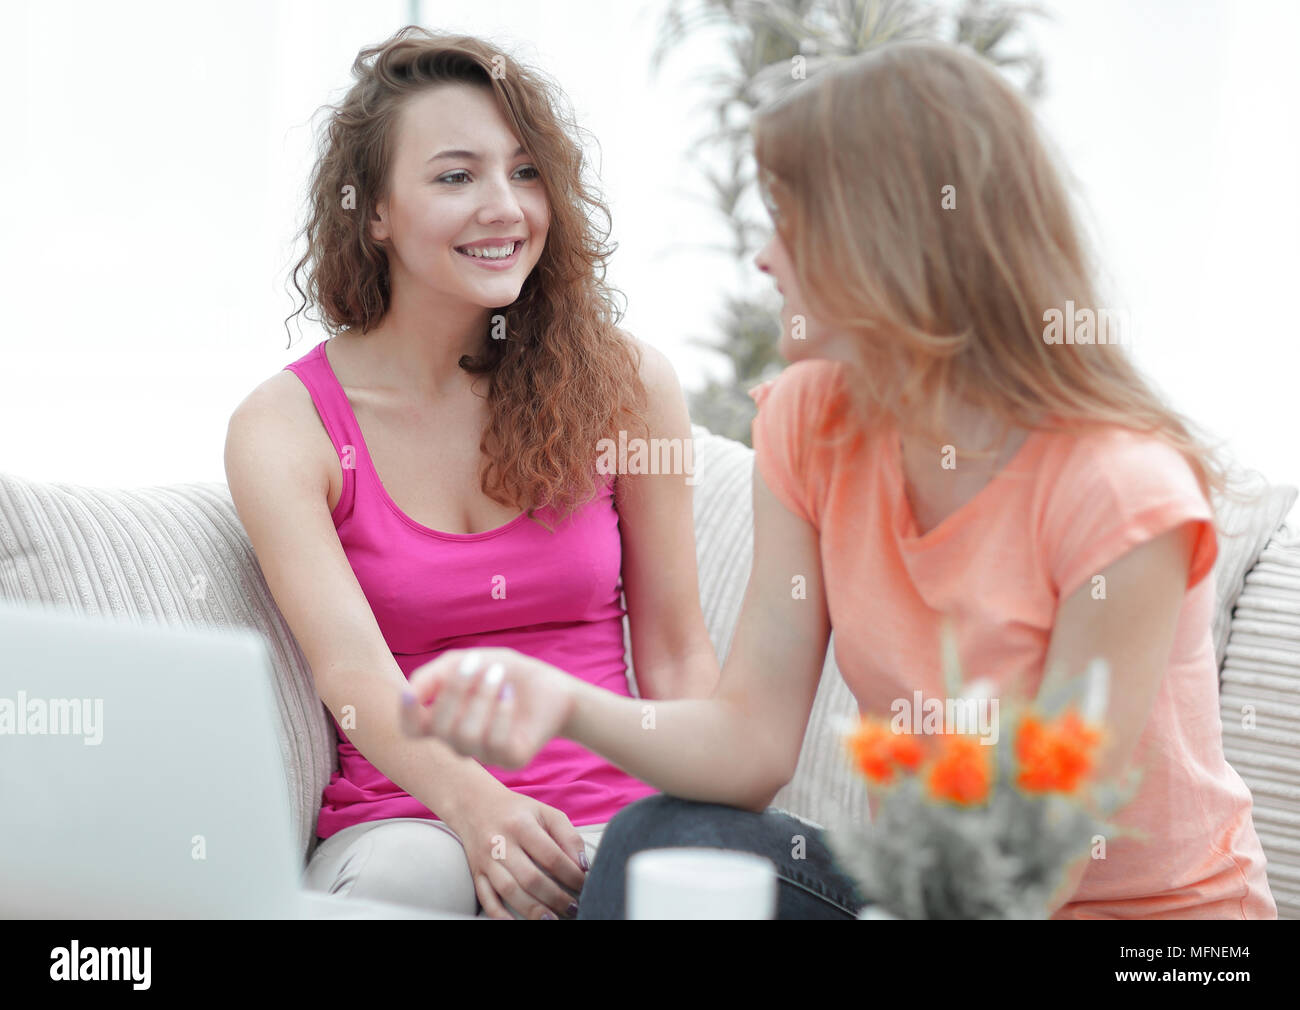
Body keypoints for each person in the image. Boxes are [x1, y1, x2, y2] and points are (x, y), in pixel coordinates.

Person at [404, 40, 1278, 920]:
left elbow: (1030, 864)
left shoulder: (1120, 493)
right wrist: (562, 703)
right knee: (657, 843)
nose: (765, 259)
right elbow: (747, 744)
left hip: (1157, 934)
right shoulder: (810, 420)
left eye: (789, 220)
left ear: (883, 237)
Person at [223, 27, 718, 920]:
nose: (505, 207)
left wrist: (714, 820)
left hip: (619, 818)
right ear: (372, 211)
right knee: (407, 885)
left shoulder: (626, 385)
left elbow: (679, 653)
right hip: (419, 820)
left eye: (525, 173)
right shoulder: (286, 427)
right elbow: (357, 680)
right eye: (456, 177)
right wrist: (481, 809)